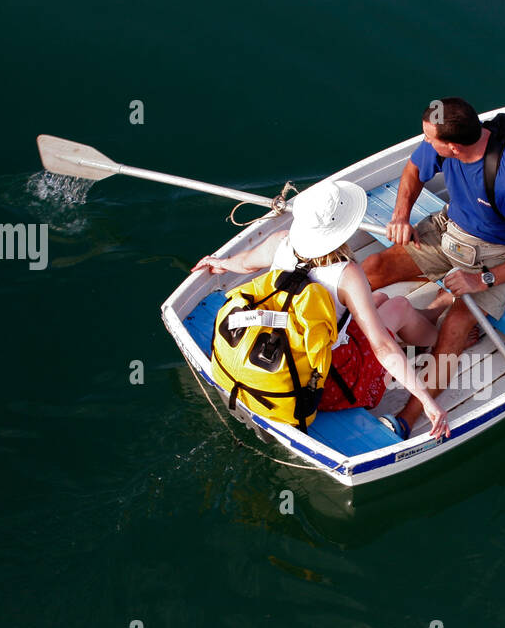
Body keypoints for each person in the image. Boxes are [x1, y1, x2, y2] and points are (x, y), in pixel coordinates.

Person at [191, 179, 450, 441]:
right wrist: (427, 401)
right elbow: (381, 347)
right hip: (330, 382)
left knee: (380, 298)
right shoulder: (346, 274)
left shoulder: (281, 241)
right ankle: (435, 335)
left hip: (288, 364)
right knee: (399, 305)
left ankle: (427, 316)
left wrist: (220, 263)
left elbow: (246, 264)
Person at [361, 97, 505, 435]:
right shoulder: (442, 146)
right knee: (374, 267)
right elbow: (413, 170)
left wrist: (483, 280)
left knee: (456, 327)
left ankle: (406, 417)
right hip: (450, 230)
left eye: (429, 137)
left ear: (452, 147)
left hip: (499, 255)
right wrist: (401, 215)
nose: (424, 142)